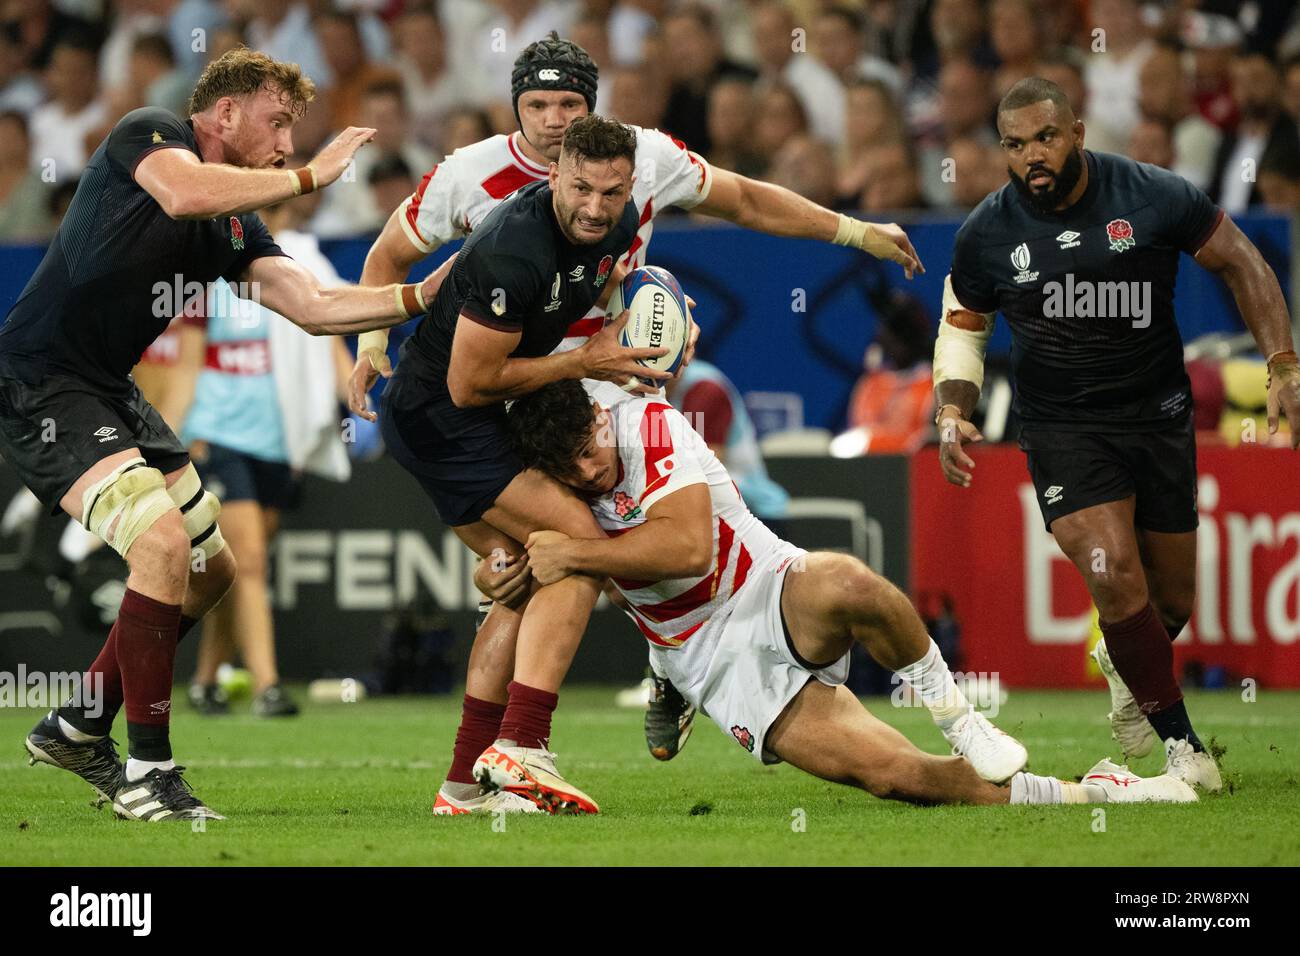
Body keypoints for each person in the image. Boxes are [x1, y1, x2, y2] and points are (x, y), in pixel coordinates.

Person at [348, 34, 923, 815]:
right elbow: (390, 262)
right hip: (505, 398)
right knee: (572, 552)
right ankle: (555, 729)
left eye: (570, 105)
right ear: (516, 112)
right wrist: (371, 346)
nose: (554, 120)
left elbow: (747, 199)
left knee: (540, 573)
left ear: (596, 111)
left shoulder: (636, 165)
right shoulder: (473, 180)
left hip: (597, 391)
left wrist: (852, 232)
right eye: (537, 106)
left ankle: (471, 779)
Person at [2, 47, 441, 822]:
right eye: (277, 124)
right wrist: (312, 177)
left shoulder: (229, 224)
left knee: (212, 573)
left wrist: (425, 293)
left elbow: (311, 305)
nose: (285, 145)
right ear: (224, 112)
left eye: (294, 136)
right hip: (42, 382)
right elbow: (182, 192)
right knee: (164, 547)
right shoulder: (150, 135)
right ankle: (148, 772)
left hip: (111, 391)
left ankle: (75, 725)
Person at [481, 380, 1196, 808]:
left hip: (762, 584)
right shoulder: (547, 493)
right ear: (550, 471)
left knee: (853, 582)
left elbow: (688, 548)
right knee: (894, 777)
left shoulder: (651, 423)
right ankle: (1100, 791)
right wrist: (499, 570)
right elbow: (499, 566)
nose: (595, 460)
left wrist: (572, 551)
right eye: (575, 463)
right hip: (712, 659)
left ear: (602, 417)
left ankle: (961, 719)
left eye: (593, 439)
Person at [933, 77, 1300, 795]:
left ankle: (1121, 656)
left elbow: (1242, 262)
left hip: (1158, 417)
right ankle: (1185, 748)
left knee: (1171, 606)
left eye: (1044, 137)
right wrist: (951, 409)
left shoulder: (1153, 195)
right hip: (1063, 430)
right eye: (1014, 145)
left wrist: (1283, 364)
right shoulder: (987, 231)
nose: (1031, 156)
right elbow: (963, 328)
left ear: (1075, 131)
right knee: (1113, 571)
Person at [173, 194, 356, 718]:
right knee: (249, 560)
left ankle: (207, 679)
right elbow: (187, 367)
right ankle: (267, 686)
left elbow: (327, 340)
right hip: (219, 435)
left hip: (281, 441)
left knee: (233, 568)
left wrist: (357, 397)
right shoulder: (206, 280)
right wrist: (182, 436)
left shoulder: (299, 267)